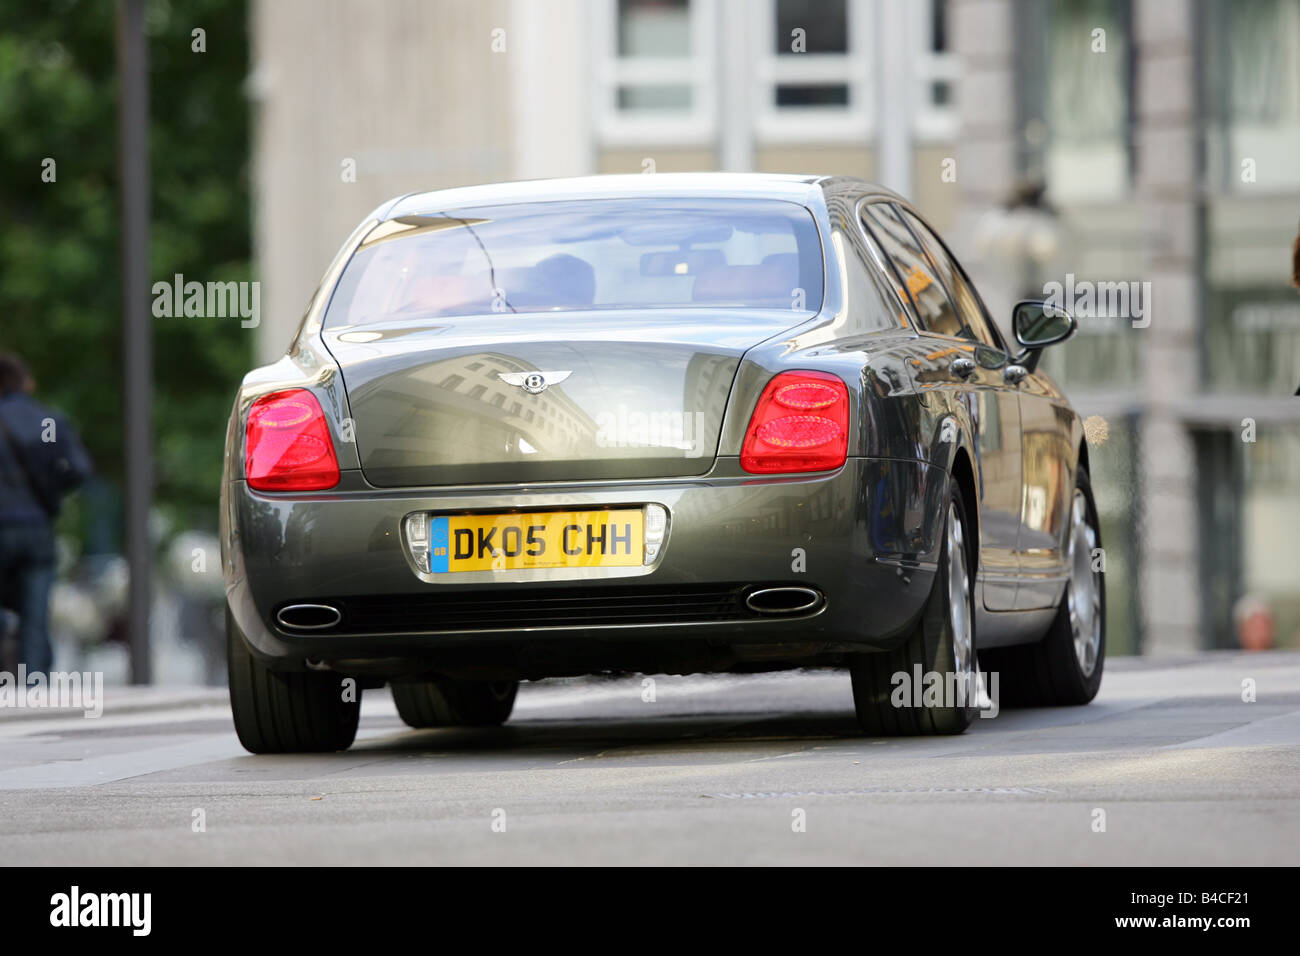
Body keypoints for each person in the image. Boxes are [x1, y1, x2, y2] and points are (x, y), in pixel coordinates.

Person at [0, 353, 92, 675]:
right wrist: (52, 489)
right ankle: (34, 687)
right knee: (35, 617)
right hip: (37, 528)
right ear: (25, 382)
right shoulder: (47, 421)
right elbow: (78, 469)